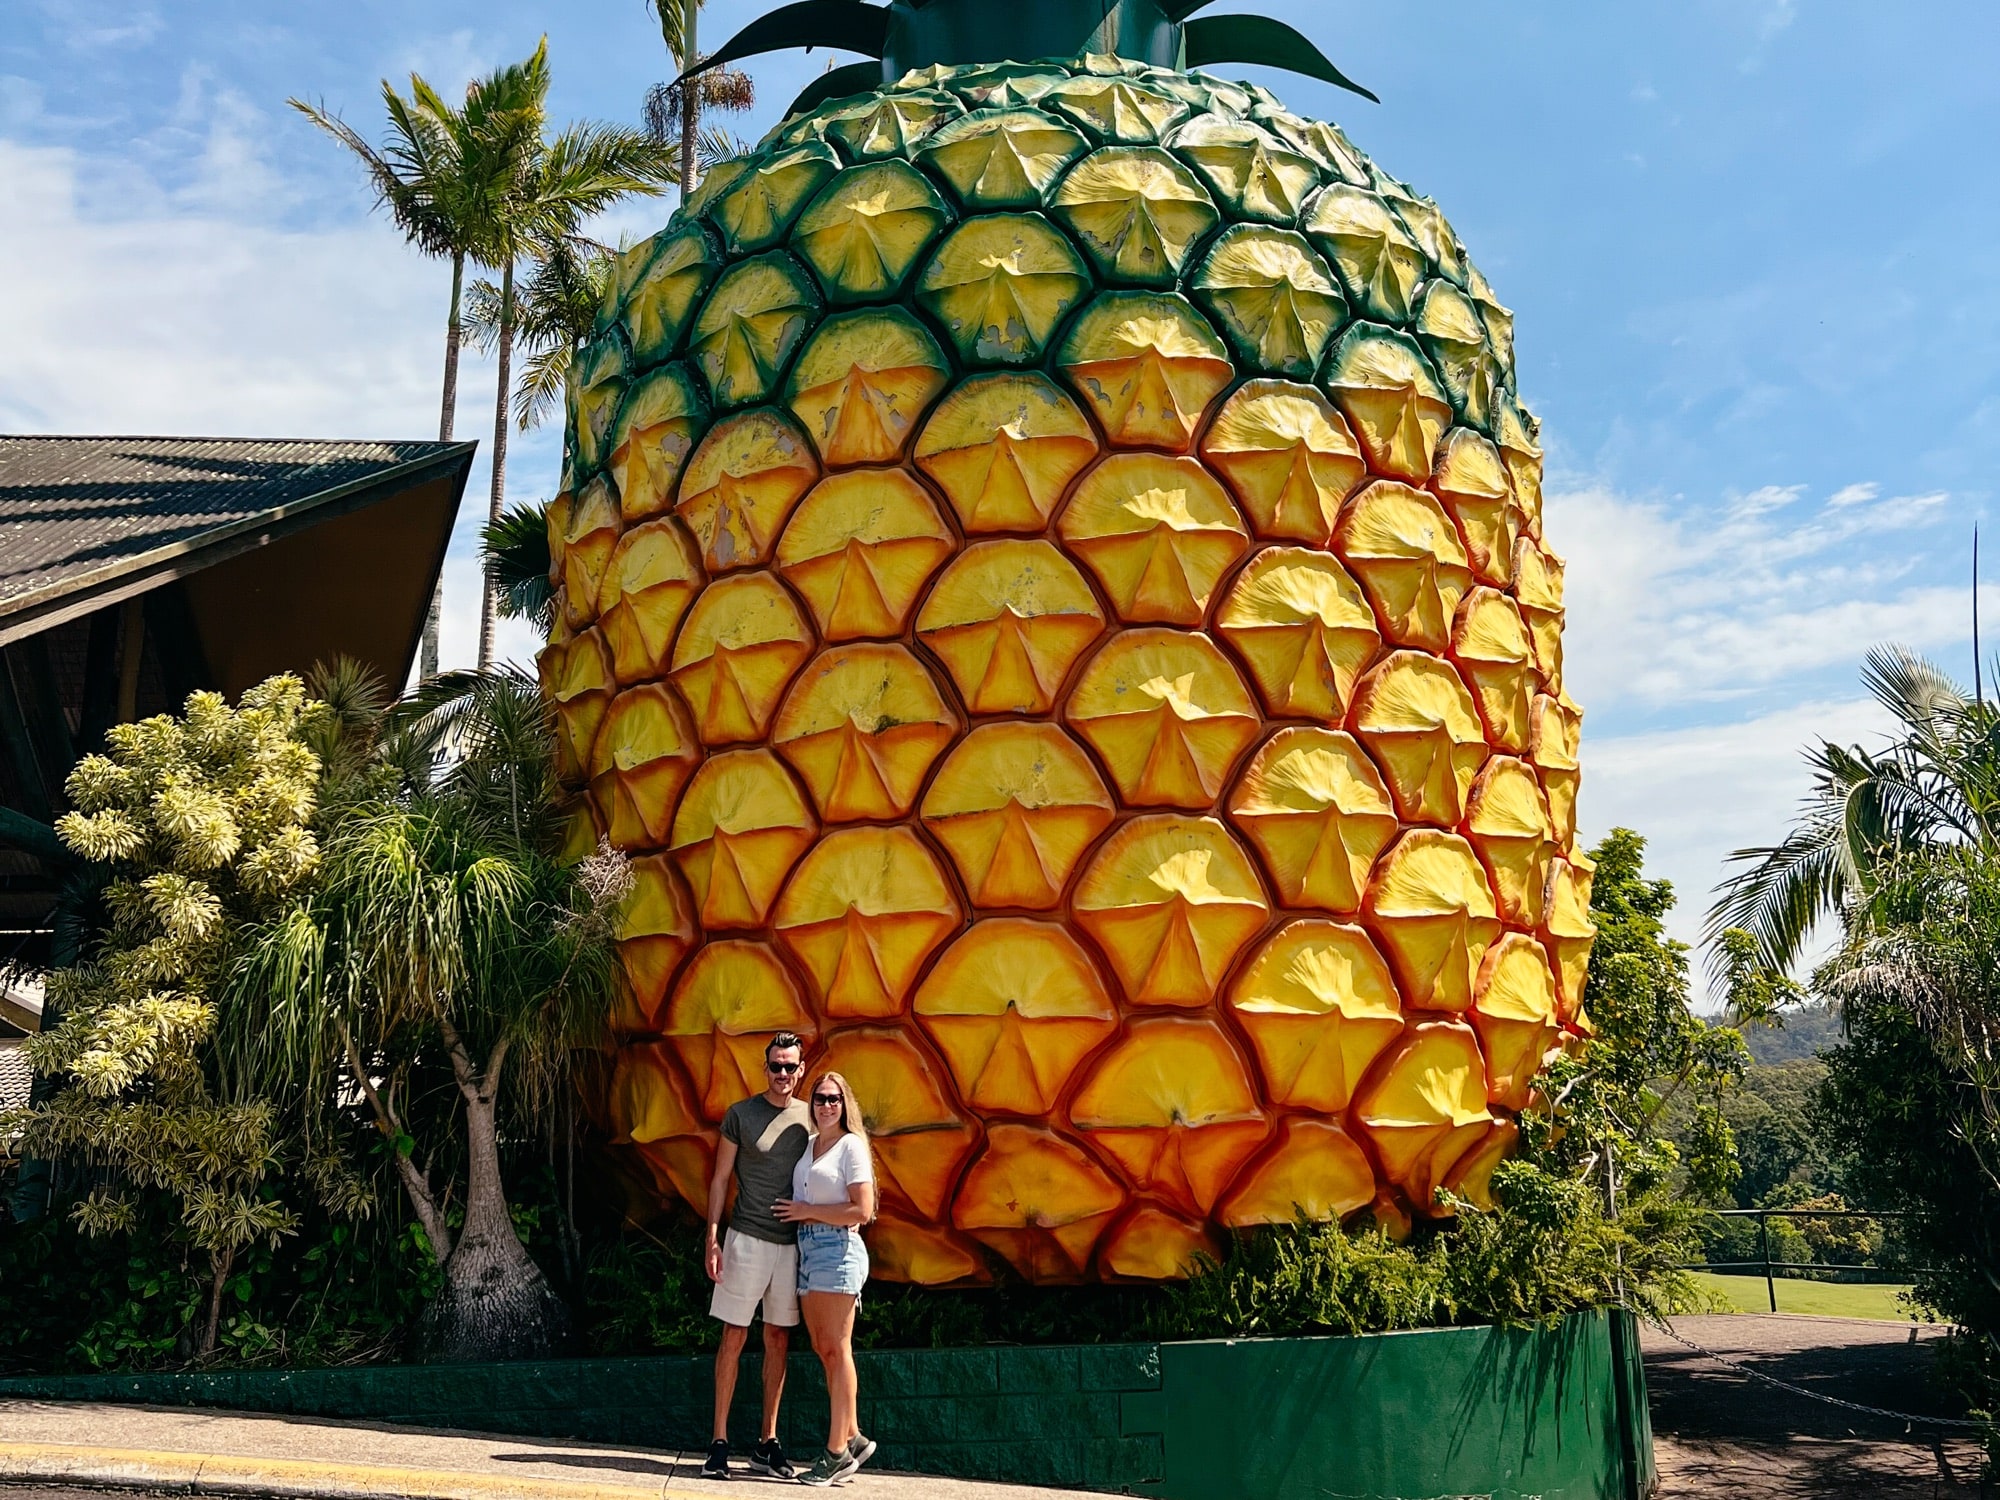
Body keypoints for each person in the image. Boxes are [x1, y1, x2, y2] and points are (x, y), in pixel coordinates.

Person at [702, 1032, 812, 1481]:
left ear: (801, 1069)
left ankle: (767, 1442)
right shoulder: (741, 1115)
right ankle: (718, 1441)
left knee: (779, 1339)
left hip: (791, 1246)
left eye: (790, 1066)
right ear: (764, 1068)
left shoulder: (814, 1118)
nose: (783, 1074)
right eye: (776, 1066)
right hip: (746, 1239)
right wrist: (712, 1237)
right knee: (733, 1334)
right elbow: (720, 1178)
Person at [775, 1070, 878, 1487]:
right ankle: (852, 1436)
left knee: (836, 1349)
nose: (826, 1105)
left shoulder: (851, 1146)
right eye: (819, 1098)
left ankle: (835, 1452)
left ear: (845, 1103)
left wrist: (806, 1212)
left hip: (836, 1249)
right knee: (823, 1347)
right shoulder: (812, 1145)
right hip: (809, 1249)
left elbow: (862, 1210)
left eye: (834, 1098)